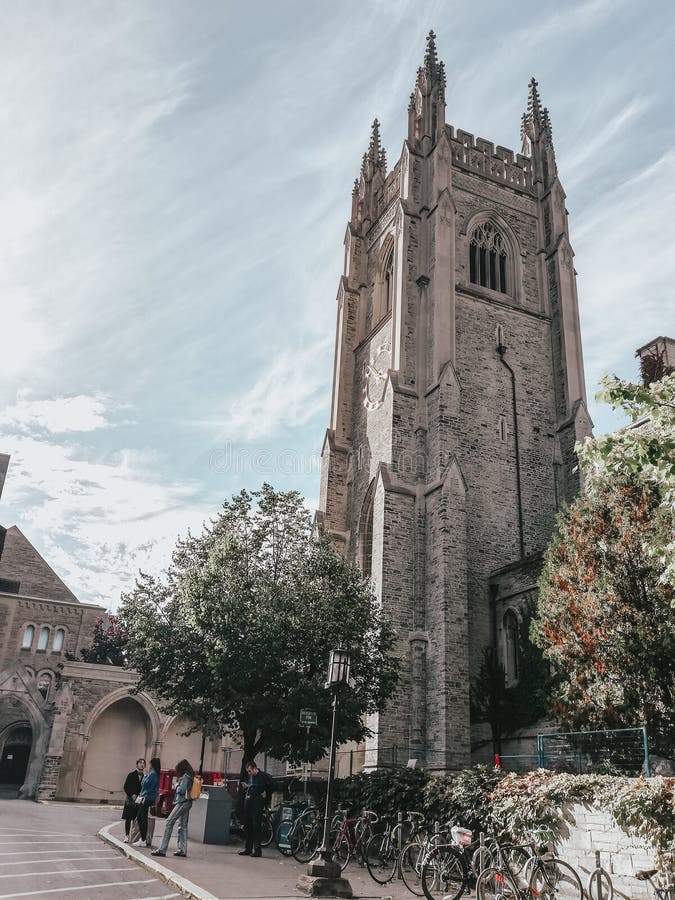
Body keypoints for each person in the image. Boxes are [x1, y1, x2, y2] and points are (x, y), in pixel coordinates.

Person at [152, 759, 194, 858]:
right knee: (183, 826)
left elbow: (182, 790)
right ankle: (182, 850)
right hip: (188, 802)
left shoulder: (185, 777)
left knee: (169, 822)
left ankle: (162, 849)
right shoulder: (190, 776)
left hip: (182, 802)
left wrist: (177, 785)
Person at [238, 759, 277, 858]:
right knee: (248, 825)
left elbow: (271, 786)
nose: (249, 773)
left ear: (255, 768)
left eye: (250, 771)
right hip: (249, 800)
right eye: (248, 772)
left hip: (257, 802)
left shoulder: (263, 776)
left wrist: (266, 796)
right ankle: (248, 848)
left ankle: (257, 849)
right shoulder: (251, 777)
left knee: (256, 825)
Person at [134, 757, 160, 847]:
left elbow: (144, 784)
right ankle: (142, 839)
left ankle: (143, 839)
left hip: (147, 798)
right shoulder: (156, 774)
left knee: (142, 817)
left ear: (152, 765)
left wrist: (145, 775)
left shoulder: (152, 774)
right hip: (149, 797)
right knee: (140, 817)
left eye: (150, 764)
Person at [122, 758, 145, 843]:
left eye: (143, 763)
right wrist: (132, 795)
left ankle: (135, 837)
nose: (142, 764)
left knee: (138, 819)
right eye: (140, 763)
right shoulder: (131, 775)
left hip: (139, 800)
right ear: (137, 764)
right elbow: (126, 787)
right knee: (128, 819)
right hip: (130, 800)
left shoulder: (145, 777)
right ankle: (126, 836)